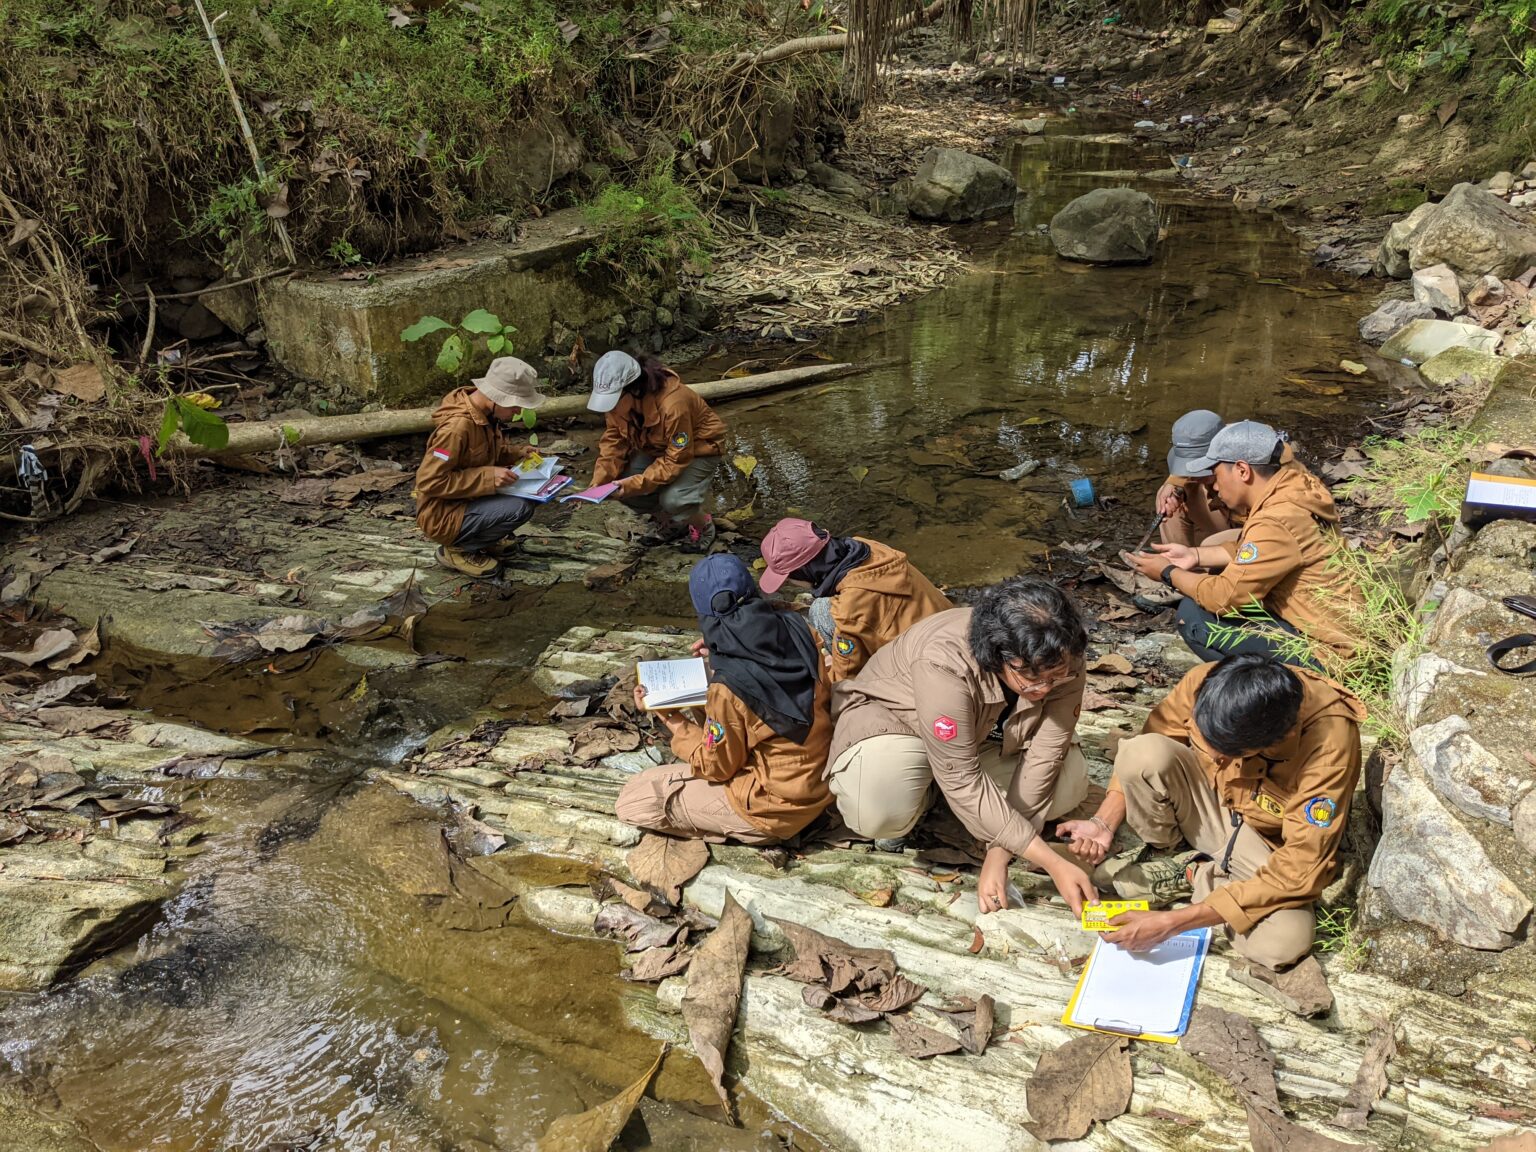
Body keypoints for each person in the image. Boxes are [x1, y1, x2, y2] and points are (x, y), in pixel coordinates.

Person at [1057, 653, 1365, 970]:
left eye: (1229, 751)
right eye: (1205, 740)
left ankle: (1194, 872)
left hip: (1262, 847)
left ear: (1279, 738)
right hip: (1208, 807)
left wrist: (1174, 923)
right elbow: (1154, 737)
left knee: (1284, 943)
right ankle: (1174, 852)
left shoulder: (1329, 746)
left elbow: (1302, 864)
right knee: (1141, 753)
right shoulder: (1210, 682)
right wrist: (1103, 822)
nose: (1215, 755)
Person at [825, 577, 1097, 917]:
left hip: (981, 737)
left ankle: (966, 810)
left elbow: (1047, 754)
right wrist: (1051, 861)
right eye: (1031, 678)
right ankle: (921, 800)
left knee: (1070, 782)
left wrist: (1000, 853)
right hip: (900, 727)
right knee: (880, 809)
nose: (1045, 688)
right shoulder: (944, 660)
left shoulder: (1063, 655)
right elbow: (961, 776)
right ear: (997, 656)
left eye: (1056, 678)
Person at [615, 553, 834, 844]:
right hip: (822, 781)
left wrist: (671, 717)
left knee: (634, 800)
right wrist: (723, 651)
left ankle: (754, 835)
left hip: (776, 808)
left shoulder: (728, 689)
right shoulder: (797, 626)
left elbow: (717, 766)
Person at [1123, 420, 1359, 669]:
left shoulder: (1276, 519)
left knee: (1192, 617)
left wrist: (1168, 573)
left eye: (1217, 476)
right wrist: (1194, 555)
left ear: (1242, 471)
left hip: (1330, 655)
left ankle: (1268, 688)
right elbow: (1255, 547)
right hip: (1325, 628)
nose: (1214, 485)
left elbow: (1223, 597)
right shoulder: (1291, 485)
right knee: (1213, 580)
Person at [757, 518, 952, 682]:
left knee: (821, 613)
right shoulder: (866, 547)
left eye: (790, 578)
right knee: (821, 608)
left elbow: (845, 678)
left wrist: (827, 672)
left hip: (931, 669)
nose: (791, 583)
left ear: (805, 571)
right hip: (948, 629)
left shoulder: (850, 606)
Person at [414, 357, 546, 577]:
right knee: (520, 507)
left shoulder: (485, 415)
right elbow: (429, 482)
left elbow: (480, 455)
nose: (517, 413)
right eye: (515, 406)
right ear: (497, 398)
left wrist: (516, 454)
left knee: (537, 492)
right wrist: (487, 478)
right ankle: (458, 549)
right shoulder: (456, 429)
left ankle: (482, 539)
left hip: (466, 500)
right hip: (443, 515)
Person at [587, 350, 727, 552]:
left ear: (633, 390)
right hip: (655, 446)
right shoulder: (619, 406)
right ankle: (673, 521)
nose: (611, 409)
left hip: (699, 448)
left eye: (614, 401)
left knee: (675, 499)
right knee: (623, 486)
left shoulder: (673, 405)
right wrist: (600, 479)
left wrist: (635, 484)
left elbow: (676, 458)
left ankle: (702, 525)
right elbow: (613, 441)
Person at [1155, 409, 1296, 548]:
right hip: (1228, 519)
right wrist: (1174, 482)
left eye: (1202, 466)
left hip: (1262, 533)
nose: (1195, 475)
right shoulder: (1217, 437)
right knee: (1169, 497)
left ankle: (1199, 562)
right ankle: (1175, 561)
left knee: (1211, 545)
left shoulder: (1270, 464)